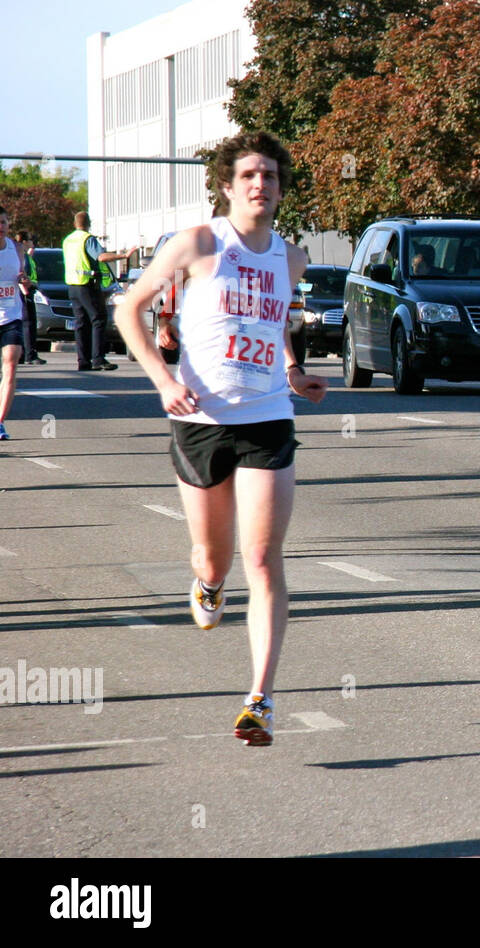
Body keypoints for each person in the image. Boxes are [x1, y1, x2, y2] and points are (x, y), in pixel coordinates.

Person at [115, 131, 328, 746]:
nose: (261, 184)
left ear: (281, 188)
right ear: (229, 187)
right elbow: (130, 309)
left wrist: (291, 372)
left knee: (263, 559)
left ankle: (259, 699)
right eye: (250, 176)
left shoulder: (290, 258)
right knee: (216, 558)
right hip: (199, 420)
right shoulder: (199, 244)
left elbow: (277, 318)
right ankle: (208, 585)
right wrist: (161, 380)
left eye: (271, 176)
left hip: (267, 416)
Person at [62, 212, 136, 371]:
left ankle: (83, 361)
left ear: (75, 223)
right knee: (99, 319)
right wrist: (123, 256)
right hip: (87, 285)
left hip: (72, 286)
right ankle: (98, 359)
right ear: (88, 223)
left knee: (81, 323)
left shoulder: (68, 240)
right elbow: (101, 257)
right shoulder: (88, 239)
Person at [0, 208, 33, 440]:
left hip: (11, 315)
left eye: (3, 222)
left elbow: (21, 276)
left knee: (11, 363)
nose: (0, 226)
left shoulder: (17, 248)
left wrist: (24, 281)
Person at [16, 231, 45, 365]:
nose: (32, 243)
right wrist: (27, 289)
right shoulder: (22, 256)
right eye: (30, 240)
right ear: (24, 241)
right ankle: (30, 354)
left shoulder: (26, 256)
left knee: (25, 324)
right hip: (25, 291)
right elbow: (21, 274)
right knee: (28, 324)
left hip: (27, 291)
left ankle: (22, 354)